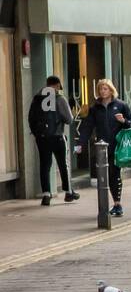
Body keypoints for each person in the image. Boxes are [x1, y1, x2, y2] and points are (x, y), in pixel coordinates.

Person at [75, 79, 131, 217]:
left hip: (117, 145)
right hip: (101, 147)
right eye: (100, 89)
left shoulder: (121, 105)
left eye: (105, 88)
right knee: (104, 176)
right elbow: (87, 127)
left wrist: (123, 121)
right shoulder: (95, 108)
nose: (102, 91)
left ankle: (117, 204)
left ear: (111, 90)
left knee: (114, 173)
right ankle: (108, 206)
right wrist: (80, 144)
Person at [28, 75, 78, 207]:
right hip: (57, 136)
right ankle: (68, 192)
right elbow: (69, 119)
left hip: (42, 138)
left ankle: (46, 195)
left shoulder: (37, 99)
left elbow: (31, 118)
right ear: (56, 85)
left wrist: (37, 133)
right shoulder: (59, 99)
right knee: (63, 164)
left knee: (44, 165)